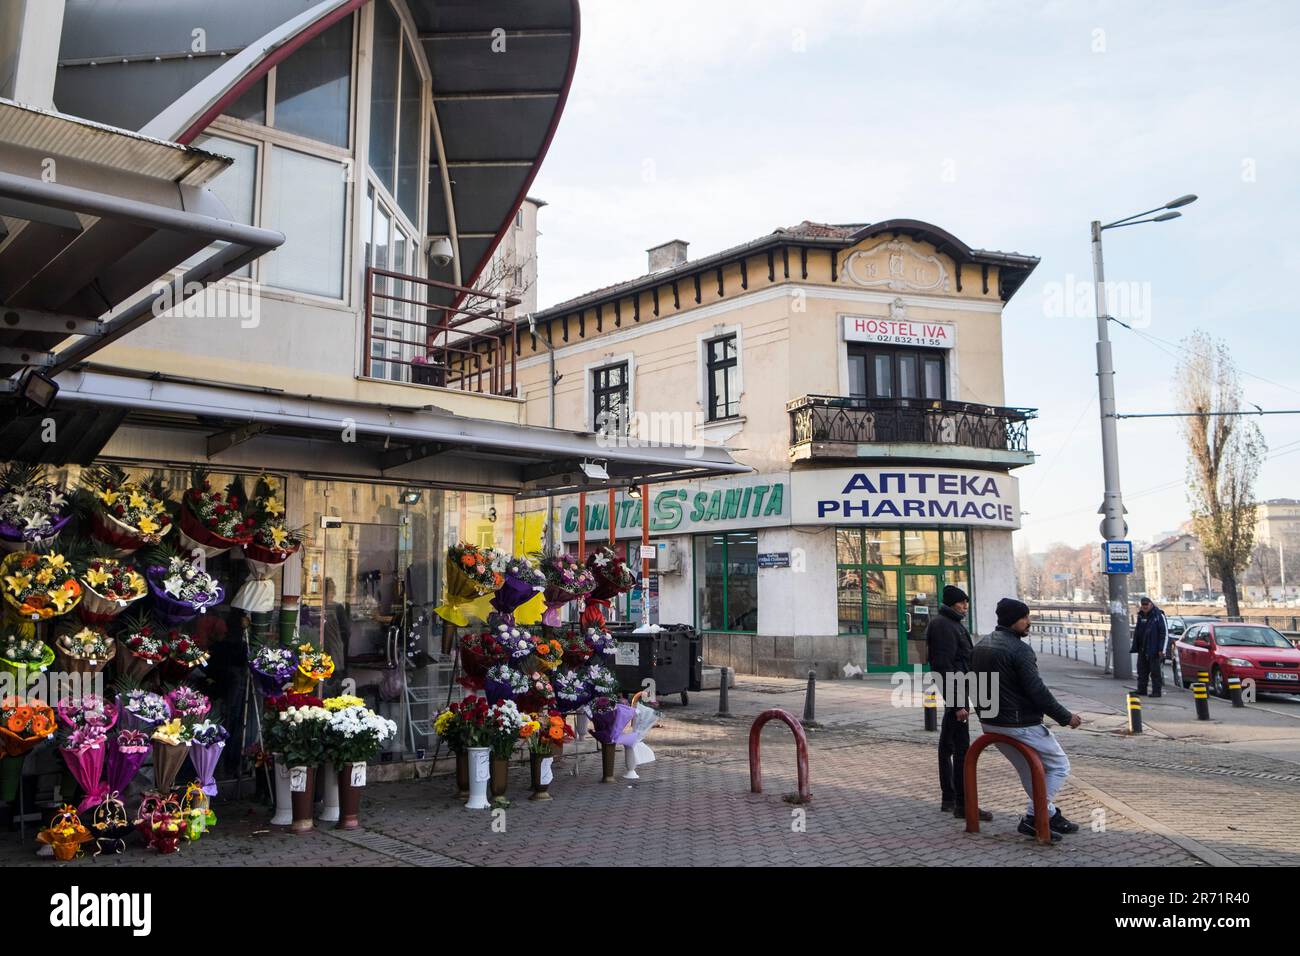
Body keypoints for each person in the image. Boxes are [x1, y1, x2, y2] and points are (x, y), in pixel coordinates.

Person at [970, 598, 1084, 841]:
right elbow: (1037, 692)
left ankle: (1048, 814)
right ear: (1014, 620)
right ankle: (1034, 817)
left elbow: (974, 685)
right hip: (1019, 724)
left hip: (990, 723)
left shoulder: (981, 645)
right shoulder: (1020, 650)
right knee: (1059, 766)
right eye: (1025, 617)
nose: (1028, 622)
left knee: (1030, 771)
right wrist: (1066, 717)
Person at [926, 585, 990, 821]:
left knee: (948, 747)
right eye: (962, 602)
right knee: (961, 750)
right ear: (952, 603)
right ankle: (962, 803)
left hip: (960, 694)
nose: (965, 606)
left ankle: (951, 799)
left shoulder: (952, 623)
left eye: (967, 602)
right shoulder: (944, 625)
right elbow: (943, 668)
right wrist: (956, 704)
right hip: (957, 696)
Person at [1131, 597, 1168, 697]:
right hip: (1142, 648)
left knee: (1155, 672)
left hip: (1154, 649)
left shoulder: (1158, 615)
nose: (1145, 606)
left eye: (1146, 605)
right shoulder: (1141, 616)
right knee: (1142, 670)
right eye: (1143, 605)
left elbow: (1164, 633)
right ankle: (1142, 689)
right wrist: (1136, 645)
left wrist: (1161, 649)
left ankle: (1156, 691)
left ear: (1151, 604)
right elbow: (1138, 632)